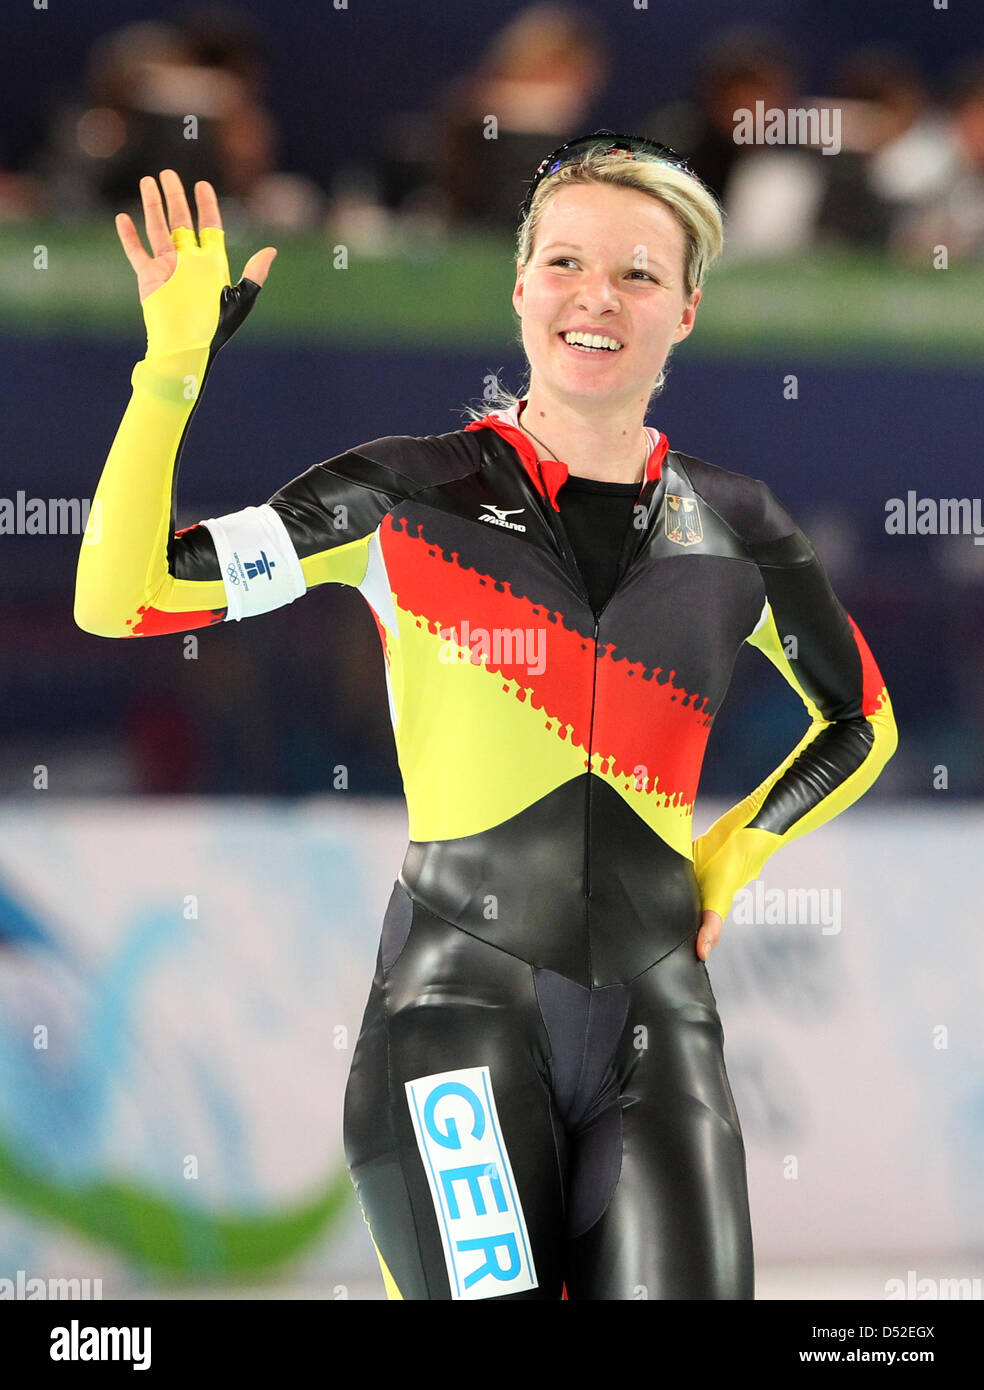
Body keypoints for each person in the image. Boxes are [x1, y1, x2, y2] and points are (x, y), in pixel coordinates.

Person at [74, 132, 898, 1300]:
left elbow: (860, 721)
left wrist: (731, 855)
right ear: (519, 289)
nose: (595, 298)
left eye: (638, 274)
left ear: (688, 310)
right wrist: (168, 375)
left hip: (660, 1023)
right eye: (564, 264)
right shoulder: (401, 494)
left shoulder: (739, 526)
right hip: (451, 1020)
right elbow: (126, 598)